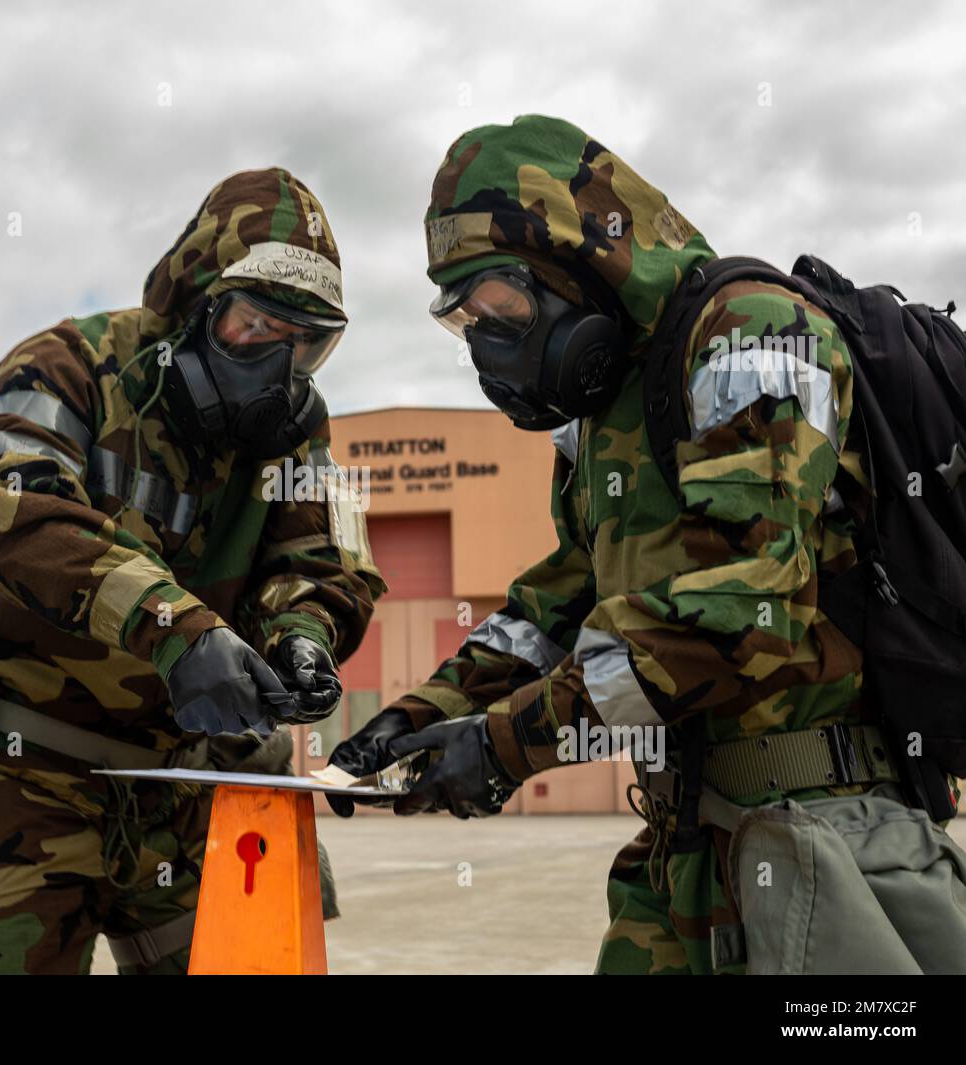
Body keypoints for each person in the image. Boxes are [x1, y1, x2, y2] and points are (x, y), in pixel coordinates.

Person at [329, 115, 966, 974]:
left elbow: (743, 608)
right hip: (682, 847)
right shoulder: (600, 423)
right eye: (465, 318)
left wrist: (506, 743)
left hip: (822, 840)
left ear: (582, 259)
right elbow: (560, 605)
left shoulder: (752, 333)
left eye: (503, 305)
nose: (487, 341)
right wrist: (421, 715)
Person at [0, 167, 383, 974]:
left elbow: (322, 558)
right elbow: (24, 516)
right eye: (258, 326)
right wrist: (178, 632)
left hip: (187, 784)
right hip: (30, 772)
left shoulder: (296, 432)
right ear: (194, 304)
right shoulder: (63, 369)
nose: (280, 364)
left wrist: (305, 637)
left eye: (308, 343)